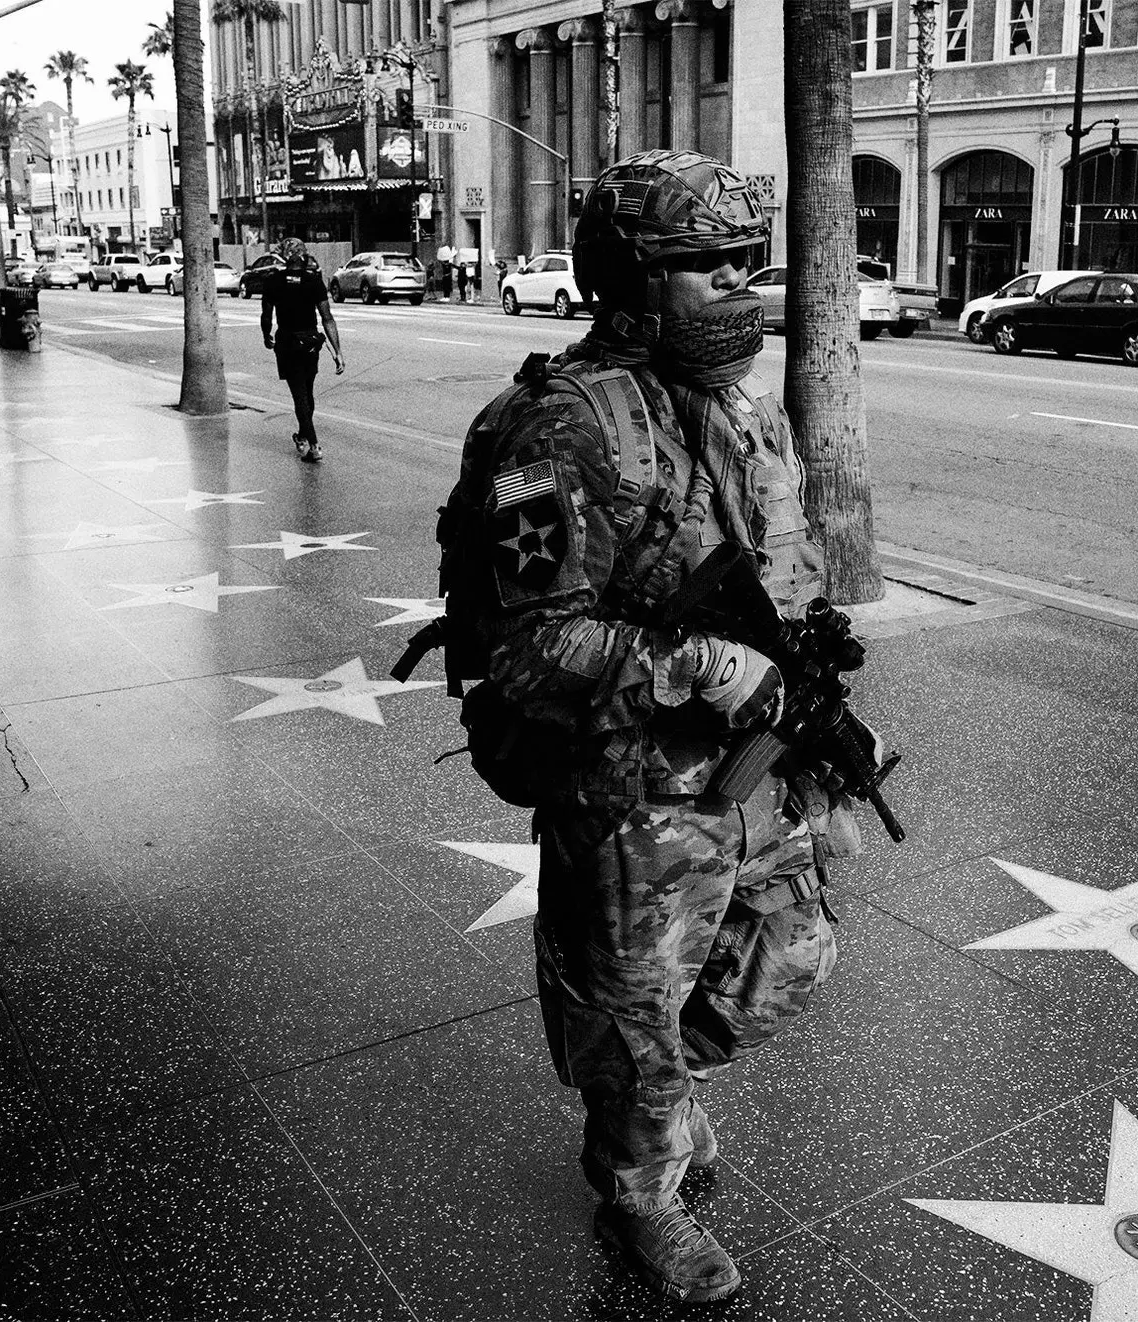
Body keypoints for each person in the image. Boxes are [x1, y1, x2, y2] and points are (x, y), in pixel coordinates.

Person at [455, 150, 873, 1304]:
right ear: (626, 277)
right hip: (635, 793)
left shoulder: (742, 405)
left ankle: (655, 1093)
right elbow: (528, 648)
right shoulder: (556, 429)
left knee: (797, 952)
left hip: (758, 768)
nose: (741, 289)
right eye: (706, 268)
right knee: (633, 1013)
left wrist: (814, 701)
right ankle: (640, 1190)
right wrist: (691, 663)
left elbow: (788, 584)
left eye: (751, 264)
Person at [260, 238, 343, 463]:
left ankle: (313, 444)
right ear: (304, 255)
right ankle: (303, 436)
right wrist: (337, 351)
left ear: (284, 257)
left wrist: (266, 335)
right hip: (310, 344)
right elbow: (327, 318)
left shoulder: (273, 281)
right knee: (307, 392)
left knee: (299, 397)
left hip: (287, 342)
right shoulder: (313, 281)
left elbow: (266, 316)